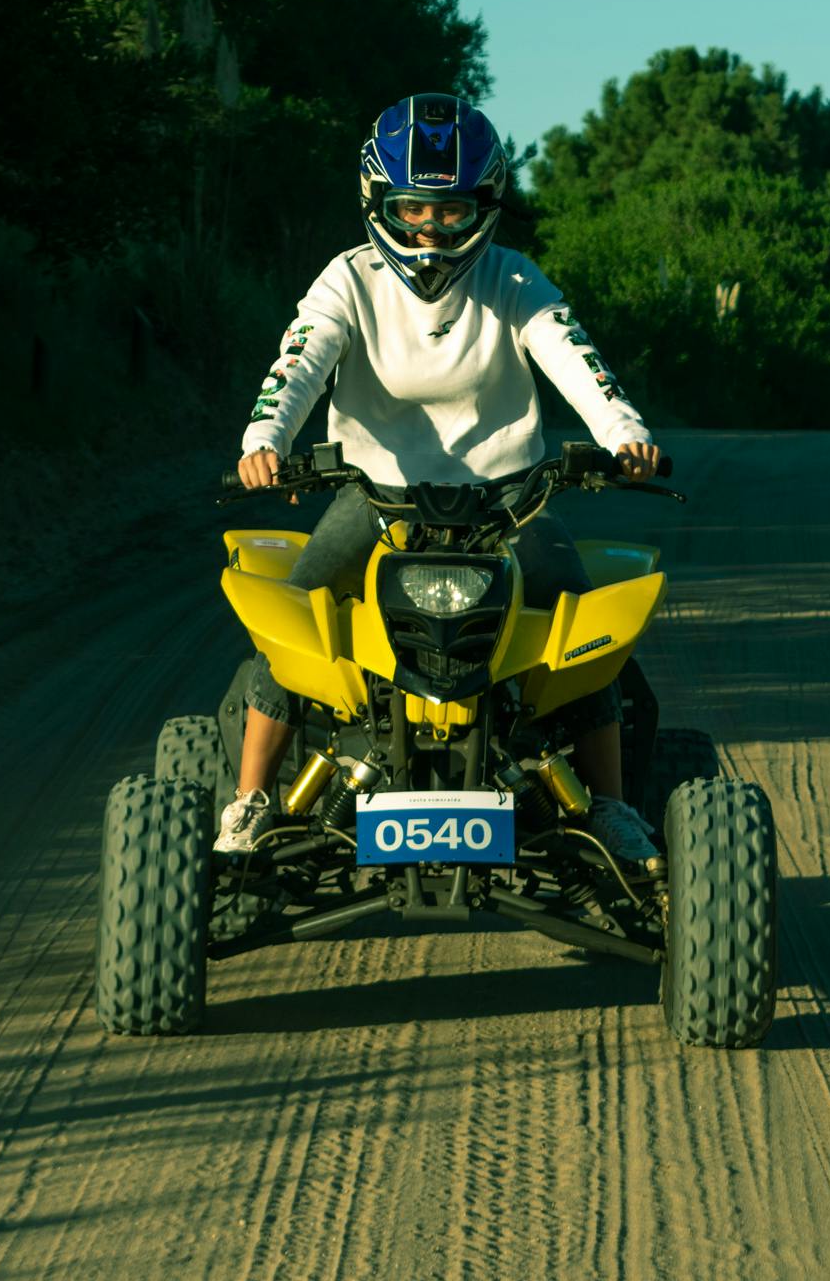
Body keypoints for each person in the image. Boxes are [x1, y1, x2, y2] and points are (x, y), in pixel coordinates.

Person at [219, 90, 663, 860]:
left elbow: (579, 364)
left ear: (485, 205)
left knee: (580, 626)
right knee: (295, 613)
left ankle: (610, 812)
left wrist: (625, 435)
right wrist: (265, 437)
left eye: (451, 213)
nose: (429, 231)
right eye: (411, 211)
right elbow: (297, 362)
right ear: (376, 201)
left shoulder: (516, 283)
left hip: (510, 504)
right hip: (375, 498)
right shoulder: (347, 281)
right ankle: (250, 801)